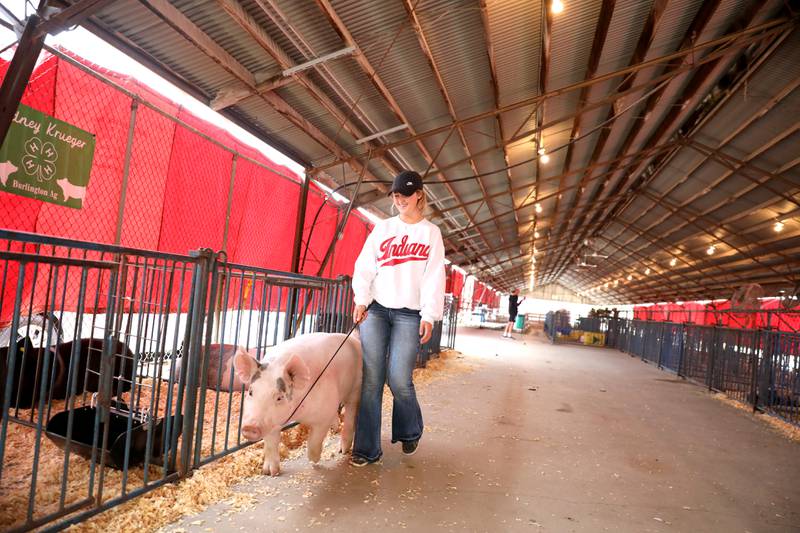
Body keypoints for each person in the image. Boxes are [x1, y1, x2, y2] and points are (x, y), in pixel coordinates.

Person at [349, 170, 446, 466]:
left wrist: (429, 315)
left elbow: (434, 277)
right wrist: (361, 299)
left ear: (419, 194)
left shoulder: (431, 233)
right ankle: (366, 449)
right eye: (395, 195)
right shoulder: (383, 229)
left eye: (405, 194)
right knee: (371, 380)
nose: (400, 199)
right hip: (377, 309)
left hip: (409, 313)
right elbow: (365, 265)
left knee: (399, 379)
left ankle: (409, 430)